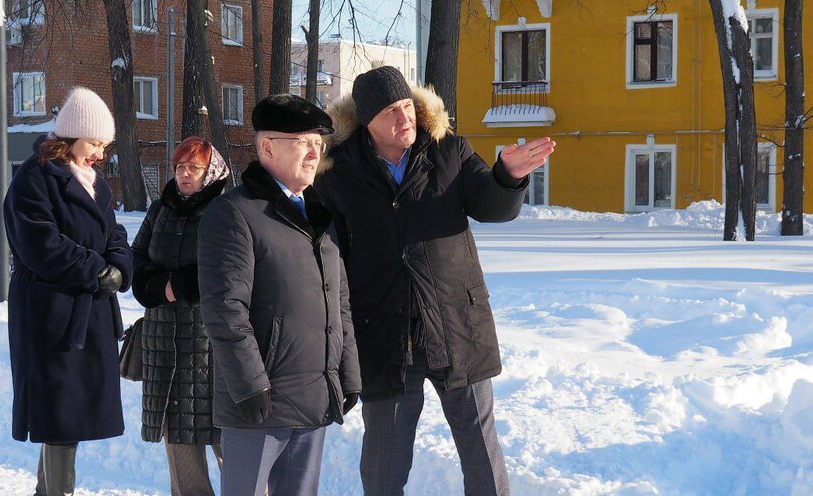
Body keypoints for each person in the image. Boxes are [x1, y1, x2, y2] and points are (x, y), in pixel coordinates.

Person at [315, 66, 556, 496]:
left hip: (456, 325)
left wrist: (507, 176)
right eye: (390, 111)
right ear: (367, 122)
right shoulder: (337, 174)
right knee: (384, 466)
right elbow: (327, 256)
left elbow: (492, 207)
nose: (404, 117)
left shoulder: (449, 151)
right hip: (384, 335)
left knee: (481, 452)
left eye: (406, 105)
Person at [197, 94, 361, 496]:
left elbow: (338, 301)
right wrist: (250, 384)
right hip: (260, 402)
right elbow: (225, 309)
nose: (315, 153)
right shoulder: (234, 213)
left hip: (314, 396)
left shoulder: (319, 216)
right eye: (303, 142)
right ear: (268, 147)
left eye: (318, 143)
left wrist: (347, 374)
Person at [4, 86, 132, 496]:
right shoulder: (35, 178)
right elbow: (41, 244)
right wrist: (97, 270)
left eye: (104, 146)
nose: (100, 154)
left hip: (87, 316)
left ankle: (49, 492)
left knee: (67, 419)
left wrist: (120, 266)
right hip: (52, 317)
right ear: (72, 135)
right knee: (60, 416)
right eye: (94, 143)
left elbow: (114, 233)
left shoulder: (94, 182)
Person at [131, 137, 231, 496]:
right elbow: (137, 257)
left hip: (212, 345)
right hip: (166, 347)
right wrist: (157, 287)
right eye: (179, 167)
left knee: (234, 450)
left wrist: (183, 285)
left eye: (193, 168)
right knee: (180, 447)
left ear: (211, 172)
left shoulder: (226, 210)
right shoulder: (160, 209)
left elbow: (232, 267)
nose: (185, 174)